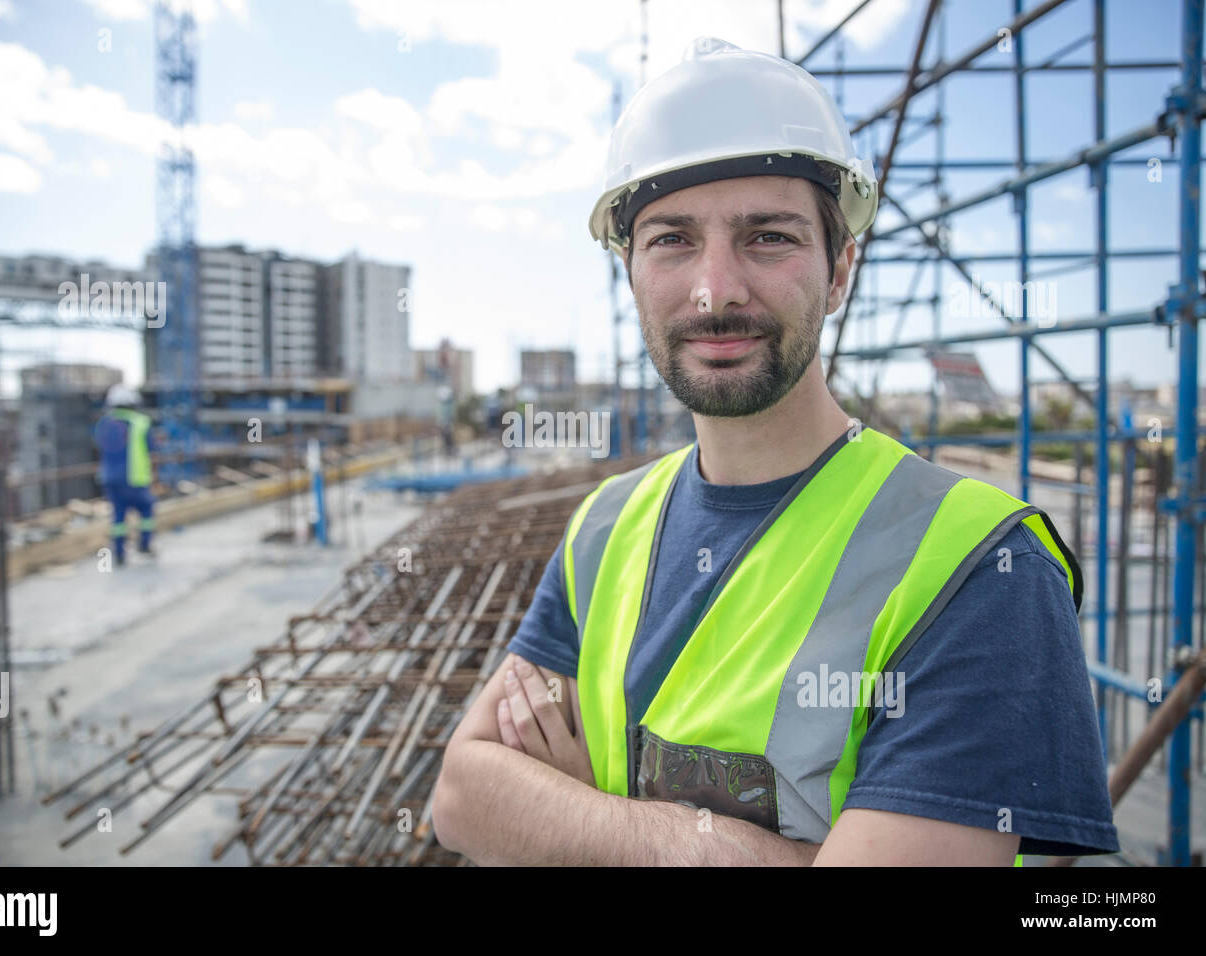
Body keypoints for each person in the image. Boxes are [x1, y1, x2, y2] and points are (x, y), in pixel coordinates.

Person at [431, 38, 1119, 866]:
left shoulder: (978, 569)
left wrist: (578, 813)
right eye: (672, 240)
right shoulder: (602, 529)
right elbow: (463, 797)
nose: (715, 289)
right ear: (630, 272)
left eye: (768, 238)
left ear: (839, 273)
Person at [94, 384, 157, 566]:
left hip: (109, 478)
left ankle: (119, 554)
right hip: (134, 478)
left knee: (118, 517)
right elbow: (151, 447)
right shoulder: (140, 422)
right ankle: (144, 544)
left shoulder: (104, 423)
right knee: (146, 509)